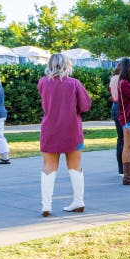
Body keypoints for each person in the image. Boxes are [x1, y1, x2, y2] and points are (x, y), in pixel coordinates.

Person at [38, 53, 92, 216]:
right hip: (72, 129)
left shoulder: (42, 83)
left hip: (50, 129)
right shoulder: (74, 83)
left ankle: (46, 205)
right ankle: (79, 201)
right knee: (75, 166)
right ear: (67, 65)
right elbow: (85, 106)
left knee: (48, 167)